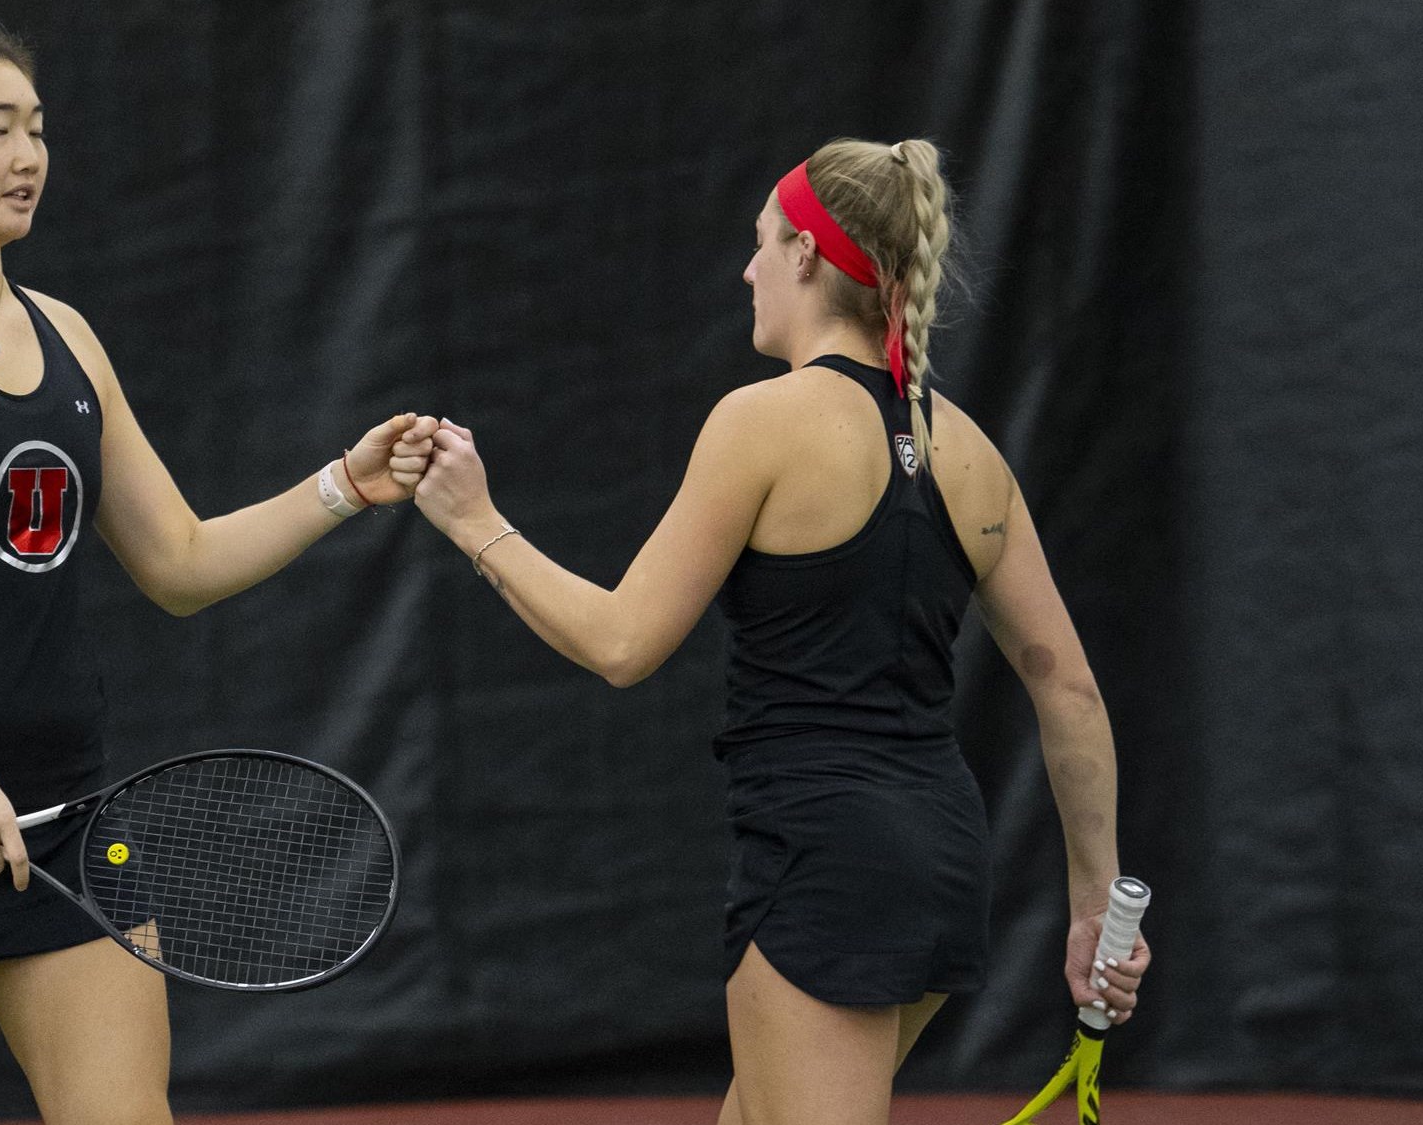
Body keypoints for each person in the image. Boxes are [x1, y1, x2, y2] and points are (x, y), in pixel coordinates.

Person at [0, 20, 434, 1125]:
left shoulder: (67, 335)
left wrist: (342, 488)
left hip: (66, 824)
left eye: (37, 129)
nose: (29, 154)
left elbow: (179, 562)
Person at [412, 138, 1151, 1124]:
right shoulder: (970, 451)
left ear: (805, 253)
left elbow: (622, 643)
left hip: (824, 865)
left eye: (761, 242)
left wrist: (473, 521)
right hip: (939, 857)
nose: (746, 269)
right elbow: (1069, 690)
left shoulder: (759, 422)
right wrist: (1096, 903)